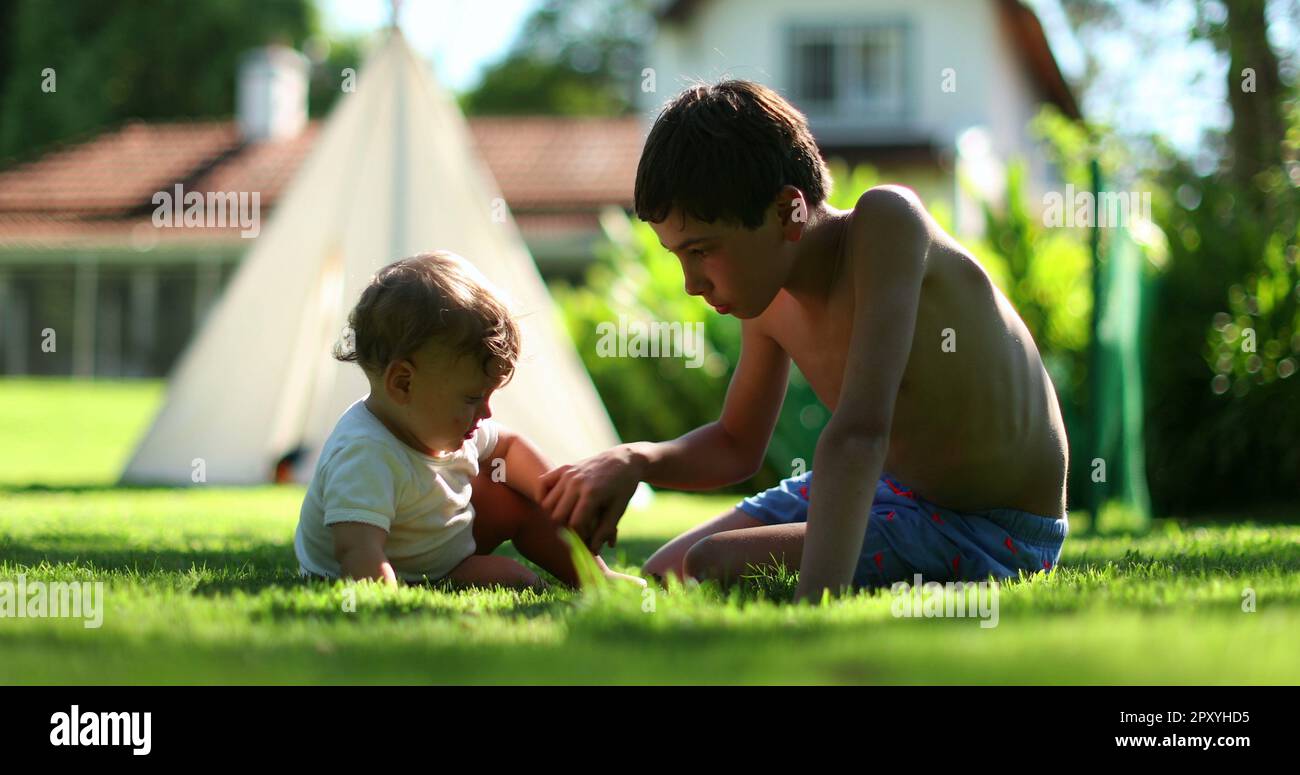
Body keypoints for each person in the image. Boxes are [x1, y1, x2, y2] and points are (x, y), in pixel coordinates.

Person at [540, 81, 1069, 601]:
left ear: (787, 212)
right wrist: (637, 459)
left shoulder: (887, 225)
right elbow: (736, 443)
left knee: (711, 564)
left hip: (992, 526)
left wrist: (816, 605)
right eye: (678, 256)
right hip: (892, 488)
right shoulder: (767, 299)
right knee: (668, 571)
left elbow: (861, 432)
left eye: (701, 250)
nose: (691, 283)